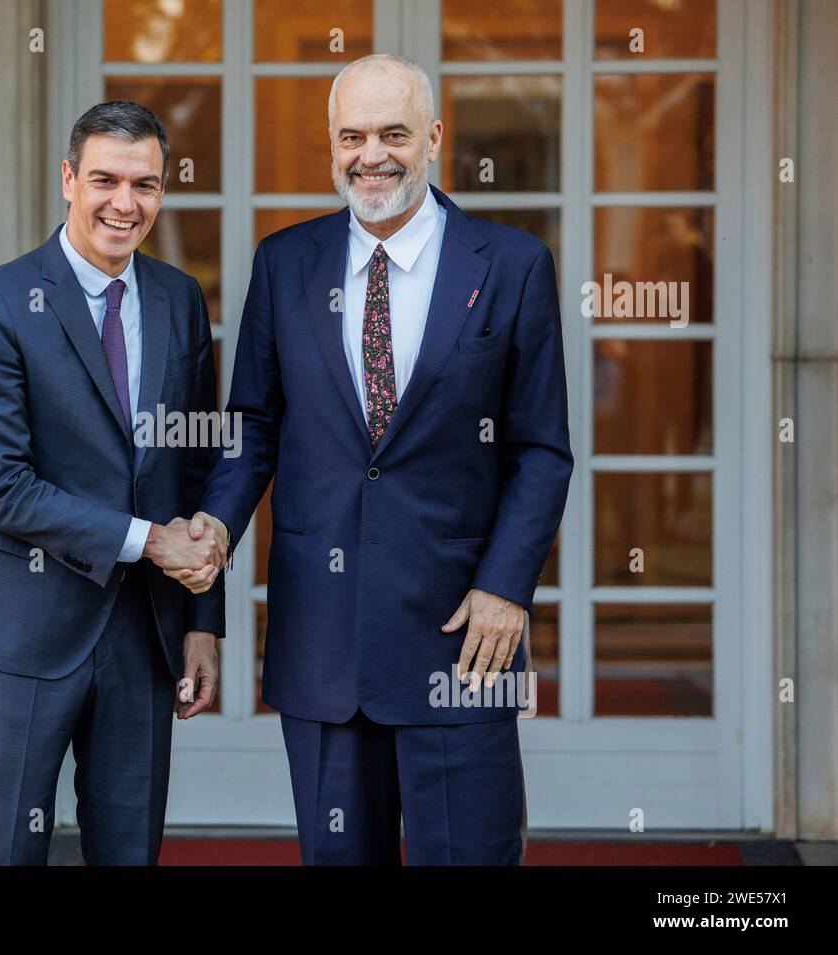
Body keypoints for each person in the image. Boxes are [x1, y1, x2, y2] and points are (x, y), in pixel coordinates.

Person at [178, 55, 573, 865]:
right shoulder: (285, 263)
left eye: (393, 133)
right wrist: (217, 523)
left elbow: (540, 449)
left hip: (464, 637)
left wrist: (505, 587)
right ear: (331, 144)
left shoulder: (512, 265)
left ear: (432, 137)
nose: (372, 155)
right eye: (351, 136)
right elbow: (253, 424)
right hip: (322, 639)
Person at [0, 100, 227, 865]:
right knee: (7, 852)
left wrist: (202, 623)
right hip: (19, 627)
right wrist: (149, 541)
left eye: (146, 185)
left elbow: (195, 467)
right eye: (104, 180)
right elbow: (2, 486)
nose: (124, 204)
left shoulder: (180, 299)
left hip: (145, 631)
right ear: (68, 179)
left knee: (129, 849)